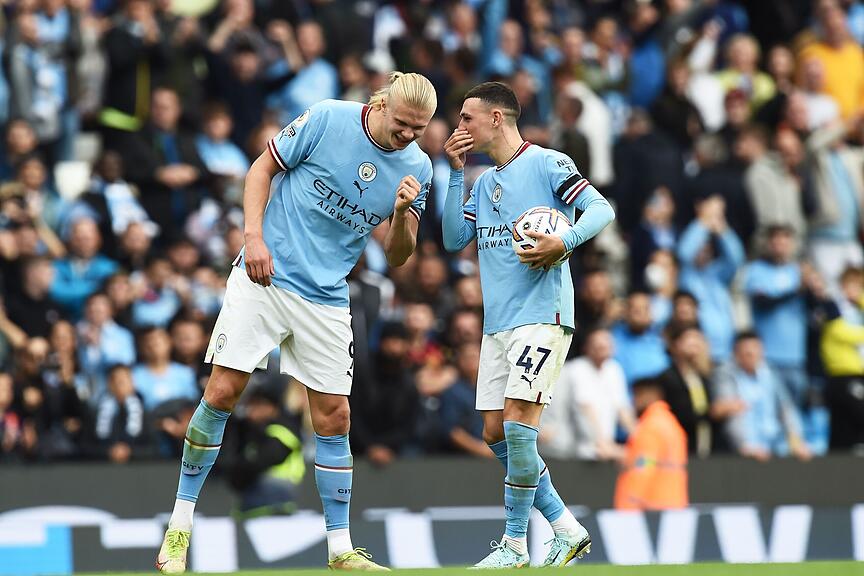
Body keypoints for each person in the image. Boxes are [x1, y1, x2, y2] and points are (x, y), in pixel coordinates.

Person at [156, 72, 436, 573]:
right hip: (265, 276)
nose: (409, 136)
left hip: (326, 296)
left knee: (335, 417)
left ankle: (340, 549)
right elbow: (260, 171)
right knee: (222, 392)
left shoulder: (417, 167)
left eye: (419, 129)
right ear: (382, 105)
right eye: (402, 125)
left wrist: (400, 215)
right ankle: (179, 526)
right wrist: (254, 238)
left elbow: (398, 258)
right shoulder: (329, 118)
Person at [442, 81, 615, 569]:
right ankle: (565, 526)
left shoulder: (548, 163)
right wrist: (456, 175)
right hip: (497, 323)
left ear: (496, 118)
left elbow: (601, 208)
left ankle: (515, 545)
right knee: (495, 432)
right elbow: (455, 238)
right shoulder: (482, 181)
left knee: (519, 425)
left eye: (467, 118)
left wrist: (566, 242)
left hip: (543, 315)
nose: (460, 128)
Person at [614, 377, 688, 510]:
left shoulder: (650, 426)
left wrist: (629, 503)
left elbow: (645, 464)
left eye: (637, 394)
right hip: (675, 502)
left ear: (651, 395)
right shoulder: (671, 424)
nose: (634, 400)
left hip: (652, 505)